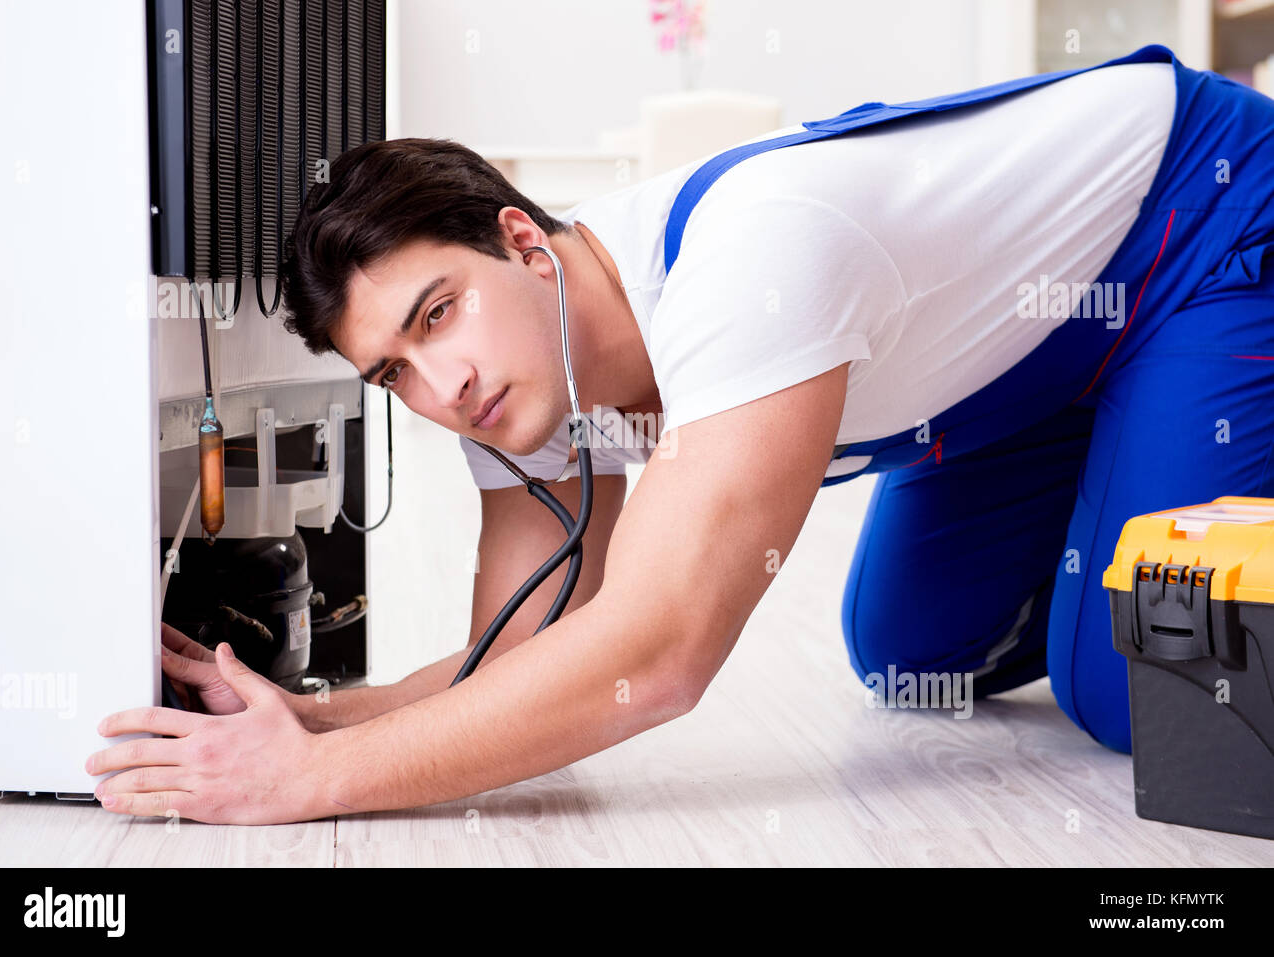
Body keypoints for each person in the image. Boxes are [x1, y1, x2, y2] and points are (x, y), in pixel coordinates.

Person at [90, 45, 1274, 824]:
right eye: (392, 370)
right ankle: (1120, 451)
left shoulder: (749, 263)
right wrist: (328, 715)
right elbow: (529, 657)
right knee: (913, 656)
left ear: (523, 241)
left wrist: (311, 784)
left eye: (437, 315)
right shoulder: (516, 378)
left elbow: (654, 657)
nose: (439, 384)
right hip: (1006, 376)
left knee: (1144, 690)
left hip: (1194, 227)